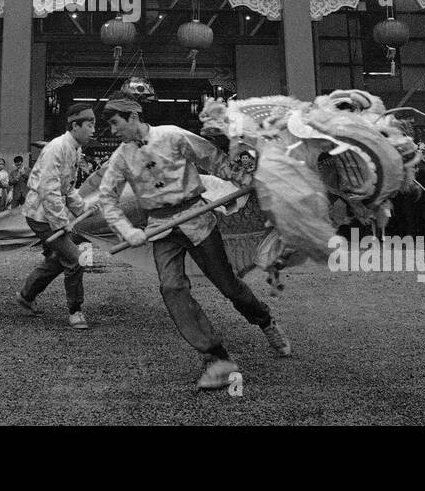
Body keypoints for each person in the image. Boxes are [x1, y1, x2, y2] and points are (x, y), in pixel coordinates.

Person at [95, 93, 290, 391]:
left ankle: (264, 320)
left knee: (228, 286)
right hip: (160, 227)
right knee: (171, 287)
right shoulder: (120, 157)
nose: (111, 130)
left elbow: (211, 158)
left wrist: (245, 180)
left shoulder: (172, 135)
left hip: (196, 217)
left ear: (133, 117)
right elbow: (107, 198)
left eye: (114, 123)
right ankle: (216, 357)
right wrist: (125, 228)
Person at [16, 103, 95, 330]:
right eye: (89, 126)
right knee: (76, 259)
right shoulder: (56, 148)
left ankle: (26, 296)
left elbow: (67, 188)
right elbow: (48, 189)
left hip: (50, 212)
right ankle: (75, 311)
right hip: (40, 215)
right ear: (75, 125)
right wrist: (62, 224)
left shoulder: (75, 149)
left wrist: (82, 209)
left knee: (57, 261)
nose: (92, 131)